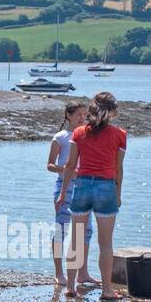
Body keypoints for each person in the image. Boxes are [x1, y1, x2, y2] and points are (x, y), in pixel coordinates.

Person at [57, 92, 127, 300]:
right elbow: (118, 169)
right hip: (106, 187)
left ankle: (71, 287)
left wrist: (62, 193)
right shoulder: (120, 134)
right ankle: (106, 290)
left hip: (83, 185)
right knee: (105, 243)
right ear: (112, 112)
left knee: (76, 238)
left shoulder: (78, 133)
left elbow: (70, 166)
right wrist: (118, 194)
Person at [48, 101, 95, 289]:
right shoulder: (60, 137)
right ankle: (59, 273)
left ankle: (83, 273)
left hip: (85, 186)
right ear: (68, 115)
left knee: (86, 231)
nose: (83, 118)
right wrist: (67, 170)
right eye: (79, 115)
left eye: (85, 115)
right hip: (64, 187)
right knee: (61, 229)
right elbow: (49, 165)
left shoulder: (87, 135)